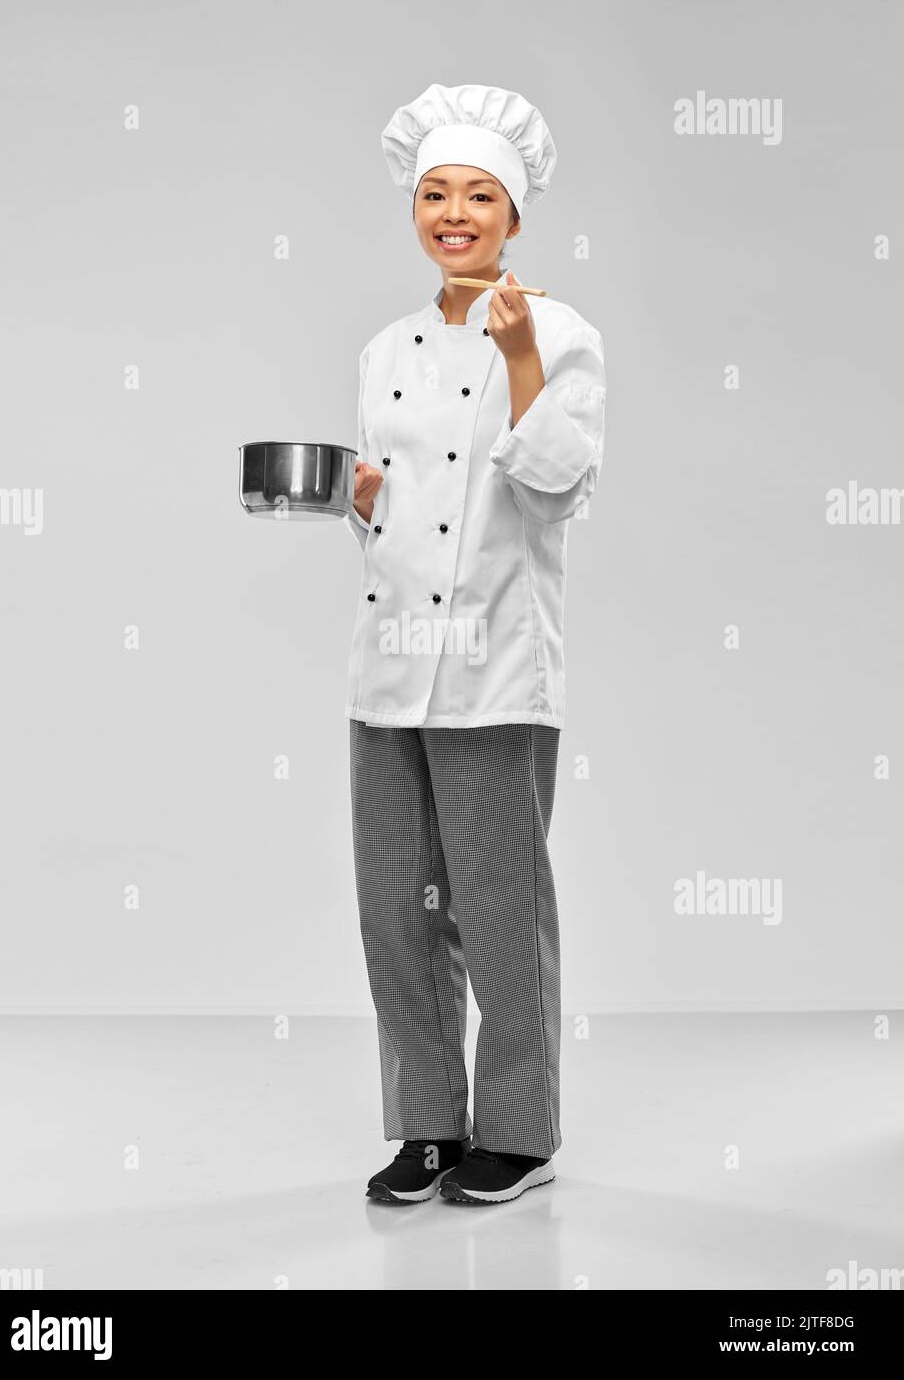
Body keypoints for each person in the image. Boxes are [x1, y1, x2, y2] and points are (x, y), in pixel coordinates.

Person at [345, 83, 606, 1206]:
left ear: (513, 214)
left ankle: (519, 1133)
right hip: (389, 664)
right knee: (396, 908)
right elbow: (397, 510)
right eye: (437, 193)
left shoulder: (558, 330)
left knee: (498, 907)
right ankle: (426, 1128)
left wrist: (517, 361)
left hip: (499, 666)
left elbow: (556, 484)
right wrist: (361, 496)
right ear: (416, 207)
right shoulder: (381, 348)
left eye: (479, 195)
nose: (455, 212)